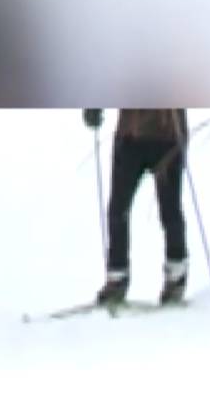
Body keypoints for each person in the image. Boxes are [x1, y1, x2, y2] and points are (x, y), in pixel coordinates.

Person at [85, 108, 191, 306]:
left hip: (167, 136)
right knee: (118, 209)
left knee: (169, 209)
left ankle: (176, 274)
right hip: (130, 137)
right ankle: (117, 277)